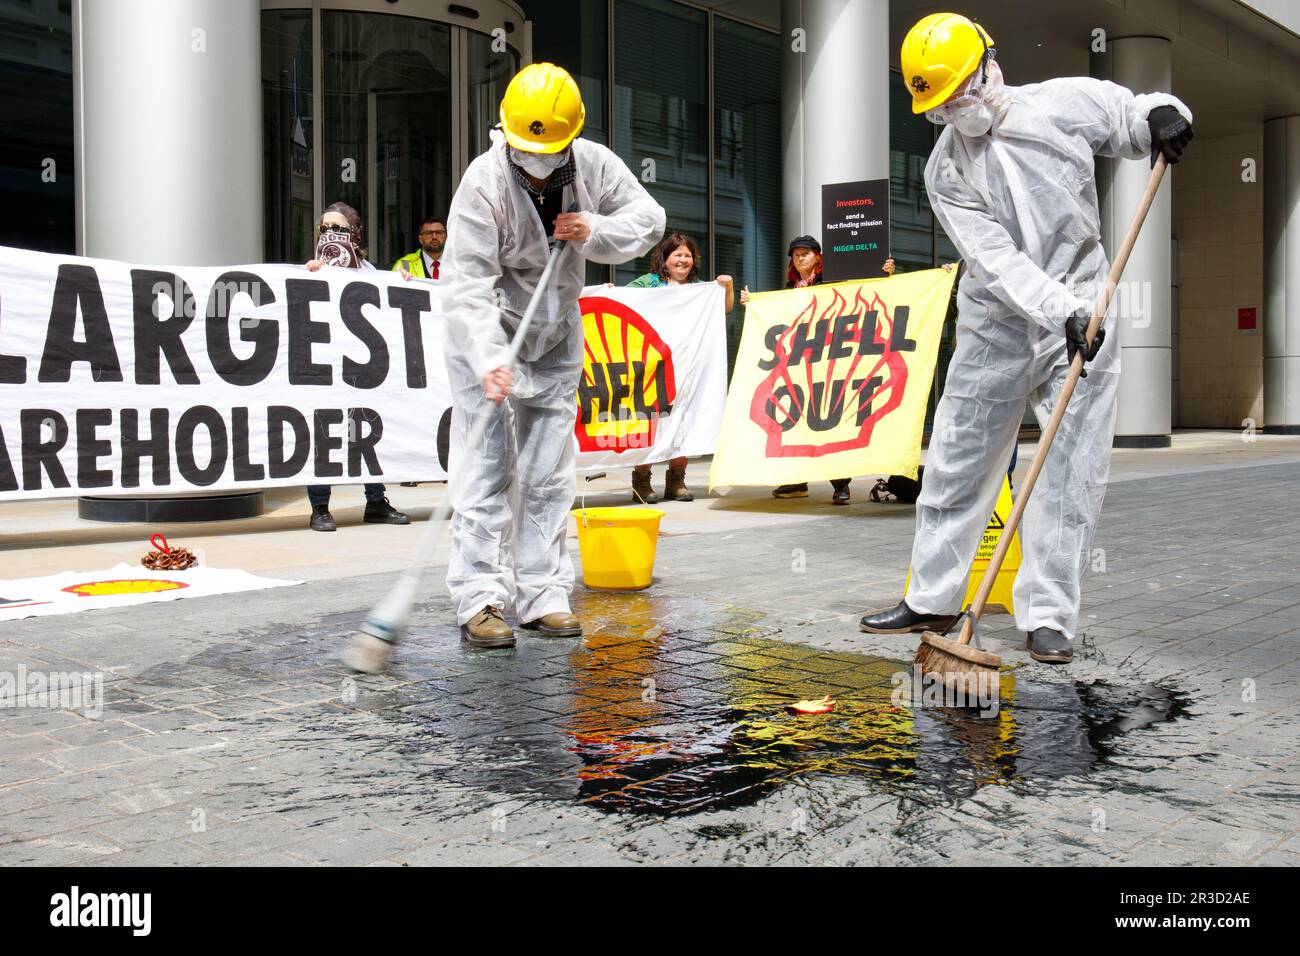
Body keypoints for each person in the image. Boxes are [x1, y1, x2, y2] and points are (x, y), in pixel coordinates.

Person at [859, 13, 1193, 664]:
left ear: (989, 67)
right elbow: (996, 260)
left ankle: (1048, 618)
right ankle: (932, 595)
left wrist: (1165, 115)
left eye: (961, 93)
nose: (957, 111)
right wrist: (1057, 310)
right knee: (958, 456)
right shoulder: (944, 173)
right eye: (941, 107)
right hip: (998, 320)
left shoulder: (1060, 104)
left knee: (1069, 470)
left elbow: (1133, 114)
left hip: (1087, 305)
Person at [441, 62, 665, 649]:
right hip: (486, 335)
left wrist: (594, 229)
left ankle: (543, 595)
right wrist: (489, 355)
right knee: (487, 470)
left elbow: (649, 221)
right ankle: (480, 599)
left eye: (551, 151)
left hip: (556, 332)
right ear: (506, 133)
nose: (539, 164)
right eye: (528, 151)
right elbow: (465, 283)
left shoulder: (592, 163)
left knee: (547, 473)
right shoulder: (483, 181)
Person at [741, 236, 895, 505]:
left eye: (805, 254)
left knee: (827, 421)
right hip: (799, 364)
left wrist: (887, 275)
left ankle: (840, 483)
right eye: (795, 255)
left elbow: (865, 294)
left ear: (817, 257)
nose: (800, 259)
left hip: (828, 361)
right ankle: (797, 481)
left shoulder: (832, 282)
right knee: (798, 420)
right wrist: (753, 303)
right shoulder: (789, 288)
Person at [301, 202, 411, 532]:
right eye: (325, 228)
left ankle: (375, 500)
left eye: (340, 228)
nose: (331, 234)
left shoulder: (371, 274)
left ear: (355, 233)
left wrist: (403, 283)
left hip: (362, 370)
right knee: (323, 433)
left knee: (367, 430)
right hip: (323, 367)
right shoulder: (311, 270)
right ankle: (319, 506)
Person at [625, 232, 733, 504]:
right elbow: (623, 300)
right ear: (665, 258)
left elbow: (724, 309)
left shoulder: (699, 289)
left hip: (688, 366)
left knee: (684, 419)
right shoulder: (649, 283)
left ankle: (676, 482)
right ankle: (642, 483)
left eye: (687, 255)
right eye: (677, 255)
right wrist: (609, 290)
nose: (683, 260)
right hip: (653, 365)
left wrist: (727, 288)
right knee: (652, 419)